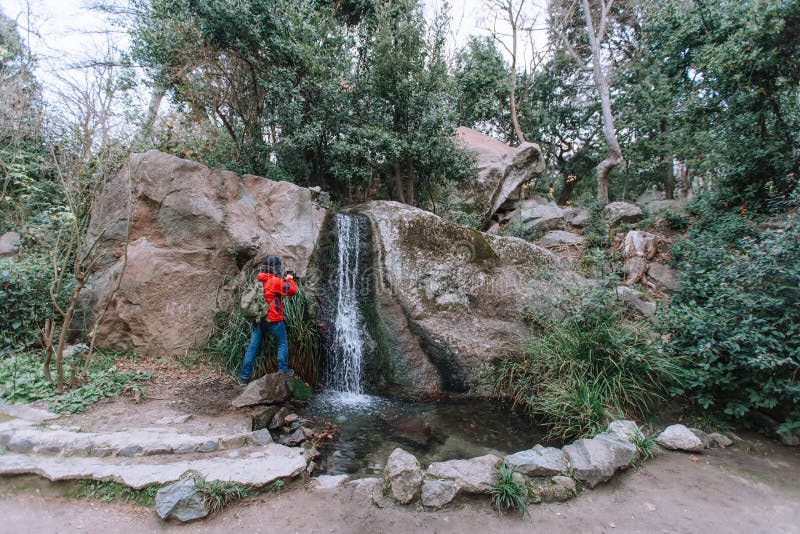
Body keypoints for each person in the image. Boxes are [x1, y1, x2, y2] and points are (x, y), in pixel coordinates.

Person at [238, 255, 297, 385]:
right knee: (282, 344)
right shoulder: (275, 281)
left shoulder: (259, 279)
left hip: (258, 320)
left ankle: (243, 377)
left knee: (252, 347)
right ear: (276, 267)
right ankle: (283, 371)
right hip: (274, 320)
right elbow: (292, 291)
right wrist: (290, 279)